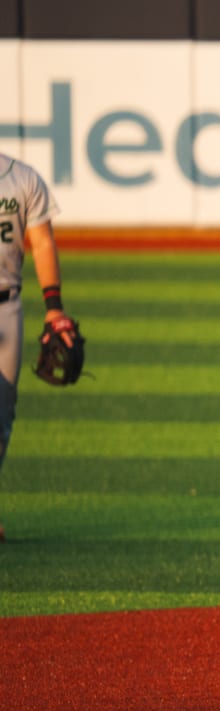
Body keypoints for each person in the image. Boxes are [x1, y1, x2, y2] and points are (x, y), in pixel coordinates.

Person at [0, 152, 77, 542]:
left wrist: (54, 309)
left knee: (2, 414)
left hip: (6, 305)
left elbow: (42, 243)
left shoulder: (23, 178)